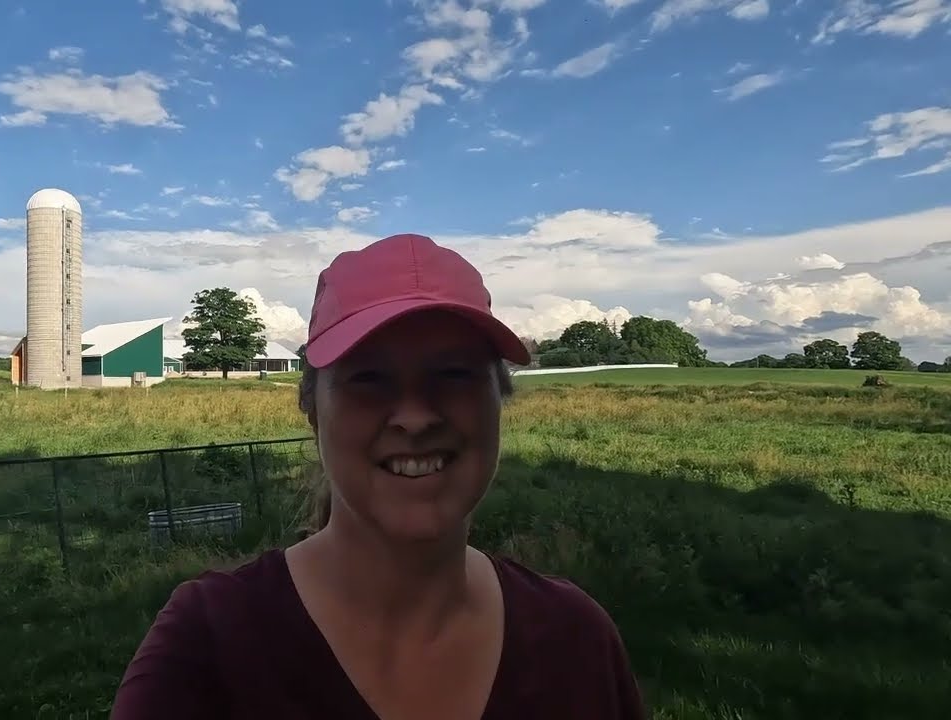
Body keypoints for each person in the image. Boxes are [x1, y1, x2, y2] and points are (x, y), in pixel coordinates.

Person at [110, 233, 645, 719]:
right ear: (312, 411)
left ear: (498, 403)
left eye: (454, 375)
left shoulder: (576, 639)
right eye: (369, 378)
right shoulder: (209, 645)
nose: (415, 416)